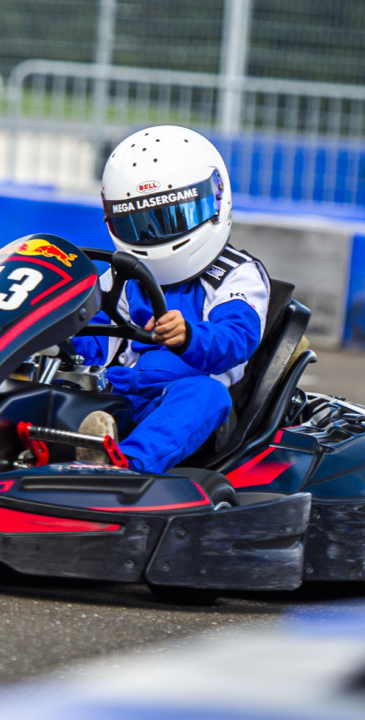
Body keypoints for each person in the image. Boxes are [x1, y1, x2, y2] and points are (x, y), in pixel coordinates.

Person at [72, 125, 271, 474]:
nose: (154, 236)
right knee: (60, 375)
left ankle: (126, 467)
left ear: (214, 199)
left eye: (170, 218)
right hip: (119, 386)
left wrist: (190, 336)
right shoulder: (125, 272)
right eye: (140, 224)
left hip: (181, 397)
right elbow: (95, 336)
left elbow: (237, 337)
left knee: (206, 396)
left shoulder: (236, 274)